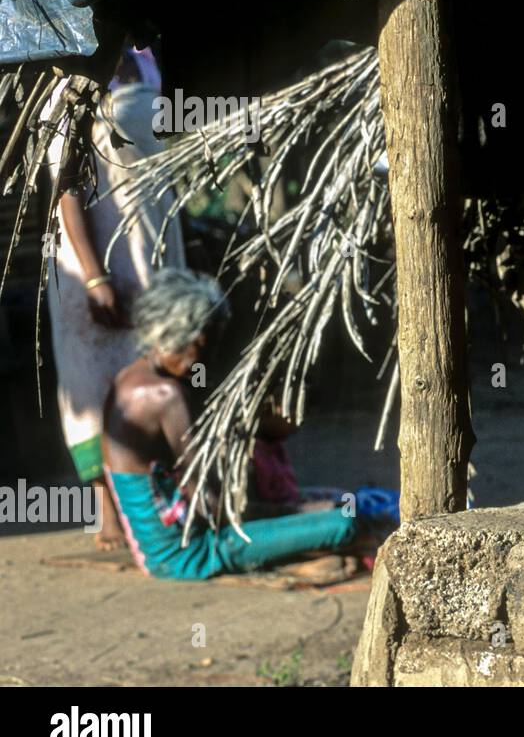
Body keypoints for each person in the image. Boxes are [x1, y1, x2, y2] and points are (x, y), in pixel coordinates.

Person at [100, 267, 357, 580]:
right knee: (344, 519)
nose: (205, 359)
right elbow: (214, 506)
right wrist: (292, 514)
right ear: (184, 338)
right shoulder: (166, 396)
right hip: (190, 554)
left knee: (333, 503)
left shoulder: (126, 379)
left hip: (163, 547)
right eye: (204, 347)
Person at [44, 45, 185, 549]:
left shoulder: (149, 63)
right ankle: (108, 511)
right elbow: (66, 191)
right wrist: (95, 277)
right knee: (92, 383)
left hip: (153, 255)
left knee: (153, 371)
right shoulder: (70, 82)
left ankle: (154, 504)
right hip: (94, 263)